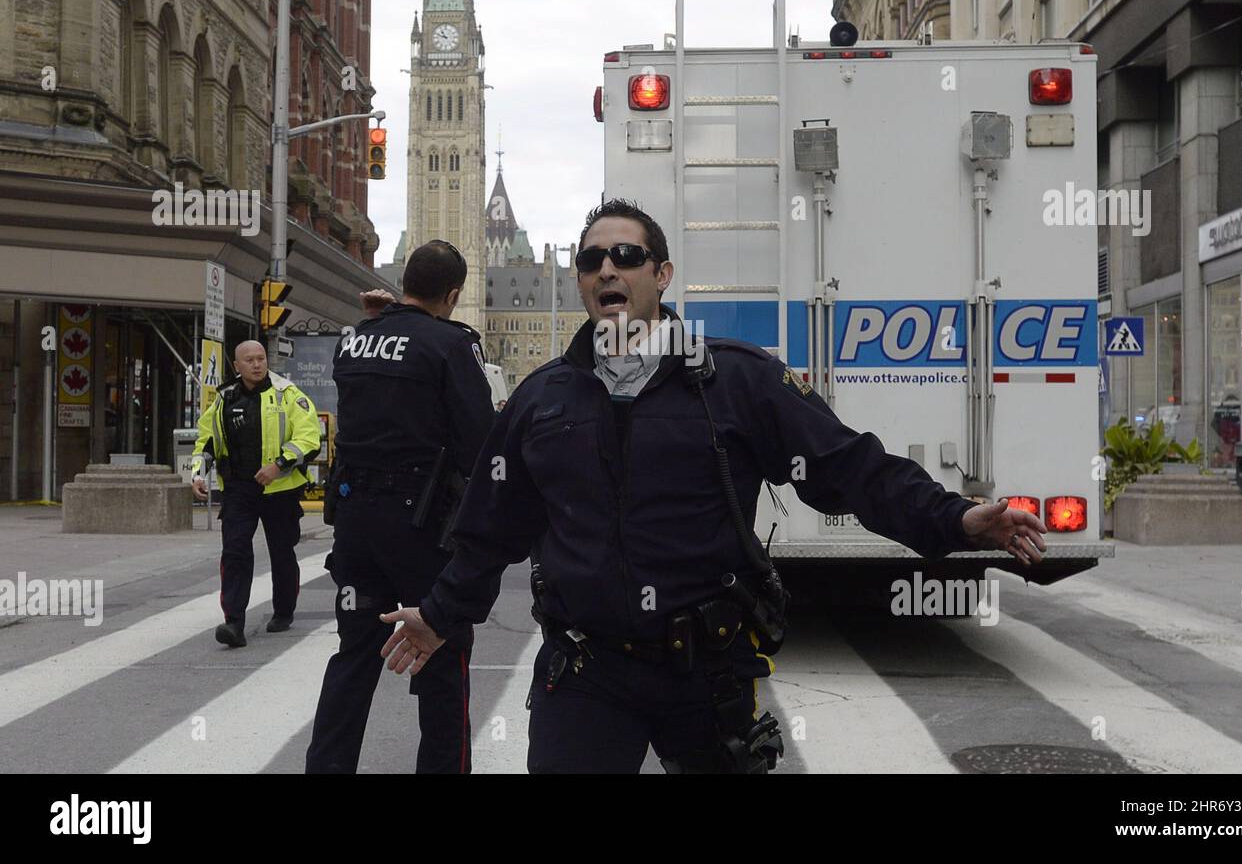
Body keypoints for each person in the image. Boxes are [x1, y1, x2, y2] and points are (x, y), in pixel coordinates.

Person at [378, 199, 1047, 774]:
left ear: (661, 274)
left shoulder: (737, 381)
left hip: (706, 670)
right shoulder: (542, 398)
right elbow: (490, 526)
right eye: (591, 261)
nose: (606, 268)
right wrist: (440, 614)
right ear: (581, 281)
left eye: (626, 255)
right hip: (585, 672)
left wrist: (955, 518)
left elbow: (849, 467)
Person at [305, 240, 494, 774]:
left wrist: (381, 320)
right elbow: (478, 443)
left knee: (352, 658)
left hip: (356, 527)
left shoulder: (356, 340)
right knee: (440, 660)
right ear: (453, 295)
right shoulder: (450, 346)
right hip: (420, 528)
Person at [192, 340, 320, 648]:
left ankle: (284, 610)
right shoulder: (224, 399)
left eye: (261, 358)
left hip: (280, 490)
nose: (257, 364)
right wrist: (198, 472)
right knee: (235, 551)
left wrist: (278, 465)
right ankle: (233, 622)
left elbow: (309, 439)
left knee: (282, 551)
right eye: (249, 359)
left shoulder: (287, 394)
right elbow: (207, 441)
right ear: (237, 365)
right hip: (239, 489)